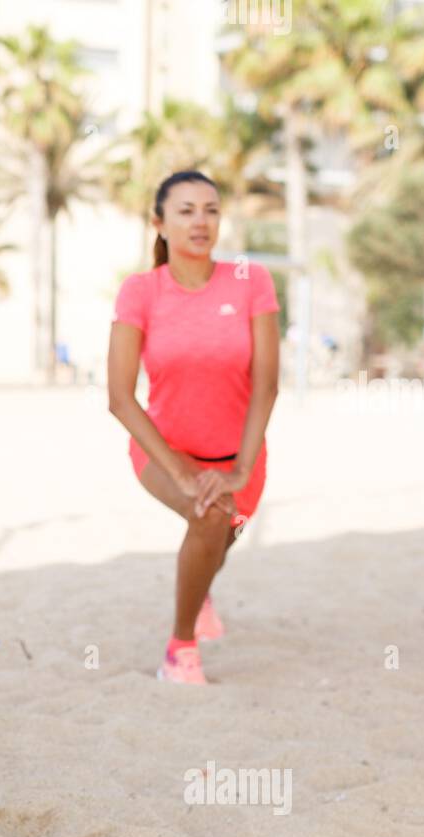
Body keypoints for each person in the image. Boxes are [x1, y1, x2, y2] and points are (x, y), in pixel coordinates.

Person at [106, 170, 281, 684]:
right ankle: (180, 649)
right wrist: (181, 474)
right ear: (159, 223)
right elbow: (119, 397)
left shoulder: (252, 281)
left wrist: (241, 469)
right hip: (164, 451)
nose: (200, 221)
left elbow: (267, 383)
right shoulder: (141, 291)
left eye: (210, 209)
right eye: (185, 211)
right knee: (209, 516)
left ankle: (199, 586)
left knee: (220, 539)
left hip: (240, 454)